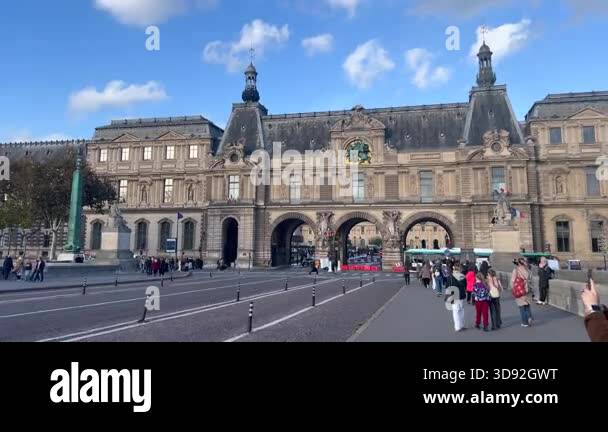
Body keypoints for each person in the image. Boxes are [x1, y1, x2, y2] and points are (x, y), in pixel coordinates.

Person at [512, 258, 533, 327]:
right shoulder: (528, 270)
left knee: (522, 307)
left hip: (520, 289)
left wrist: (513, 289)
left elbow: (512, 281)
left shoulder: (516, 270)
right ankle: (529, 317)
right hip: (528, 289)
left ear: (518, 263)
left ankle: (525, 322)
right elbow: (531, 280)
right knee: (527, 305)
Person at [445, 264, 467, 332]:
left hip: (453, 295)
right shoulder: (462, 276)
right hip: (461, 295)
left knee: (456, 311)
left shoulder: (450, 277)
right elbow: (465, 285)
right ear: (459, 269)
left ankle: (457, 327)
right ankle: (462, 325)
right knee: (461, 310)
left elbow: (447, 286)